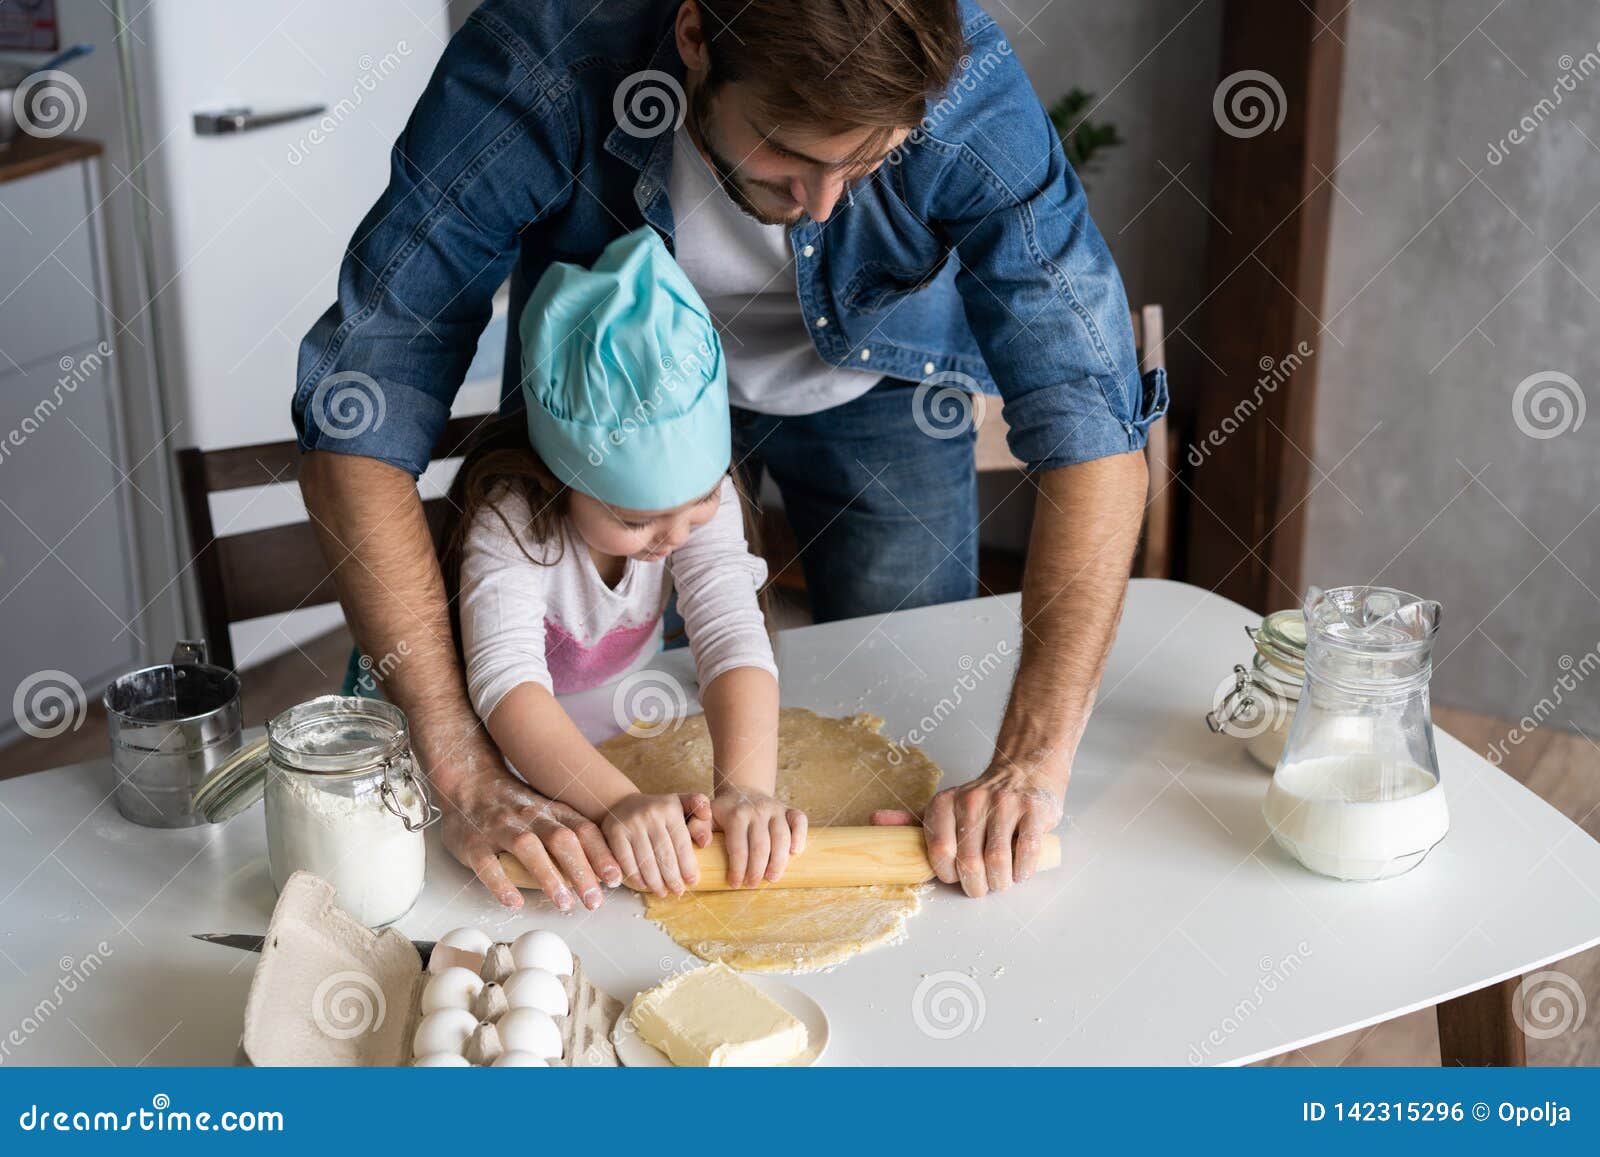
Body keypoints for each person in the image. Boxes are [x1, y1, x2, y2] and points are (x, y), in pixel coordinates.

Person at [294, 0, 1166, 907]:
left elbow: (1094, 426)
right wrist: (463, 766)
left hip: (880, 383)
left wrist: (1032, 764)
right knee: (621, 735)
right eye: (790, 153)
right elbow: (364, 405)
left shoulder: (963, 90)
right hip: (611, 395)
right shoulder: (541, 57)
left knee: (909, 692)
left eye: (870, 161)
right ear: (696, 36)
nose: (822, 205)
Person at [444, 227, 803, 900]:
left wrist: (747, 790)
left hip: (609, 716)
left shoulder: (700, 497)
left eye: (697, 506)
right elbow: (507, 686)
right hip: (489, 747)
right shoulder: (511, 521)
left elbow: (730, 630)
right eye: (634, 520)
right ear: (560, 474)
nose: (672, 536)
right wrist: (617, 803)